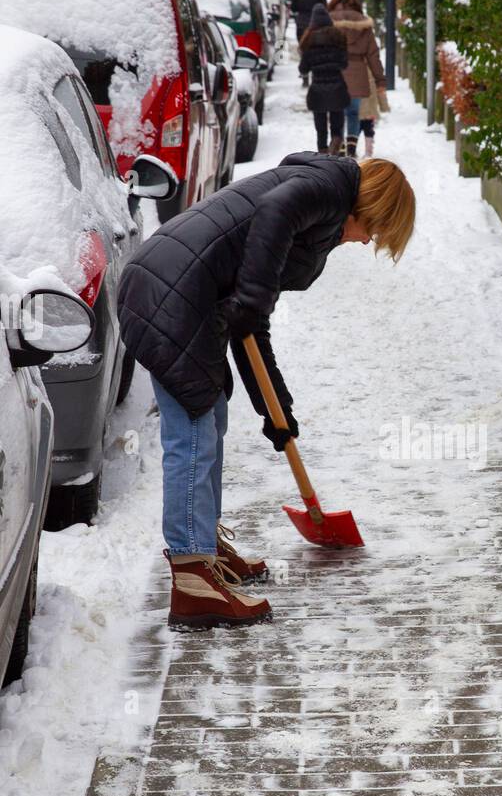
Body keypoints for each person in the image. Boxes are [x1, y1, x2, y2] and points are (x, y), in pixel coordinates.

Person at [117, 154, 416, 631]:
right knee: (192, 432)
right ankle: (193, 579)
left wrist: (276, 412)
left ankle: (205, 549)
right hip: (170, 292)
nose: (366, 243)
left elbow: (250, 329)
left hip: (184, 289)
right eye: (374, 233)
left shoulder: (320, 199)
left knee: (210, 417)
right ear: (372, 208)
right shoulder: (326, 190)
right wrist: (253, 303)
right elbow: (276, 214)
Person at [328, 0, 387, 157]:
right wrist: (380, 80)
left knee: (337, 112)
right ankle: (351, 148)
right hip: (358, 73)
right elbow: (373, 55)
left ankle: (339, 146)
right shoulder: (363, 23)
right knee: (353, 112)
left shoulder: (328, 20)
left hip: (334, 72)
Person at [299, 3, 350, 155]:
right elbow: (344, 64)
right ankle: (335, 148)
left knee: (320, 129)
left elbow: (303, 69)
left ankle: (322, 154)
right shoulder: (338, 37)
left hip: (317, 90)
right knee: (337, 126)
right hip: (337, 88)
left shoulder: (308, 40)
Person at [289, 0, 326, 86]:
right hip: (316, 25)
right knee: (316, 49)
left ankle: (304, 74)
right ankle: (315, 73)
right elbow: (325, 7)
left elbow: (293, 8)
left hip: (301, 24)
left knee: (303, 48)